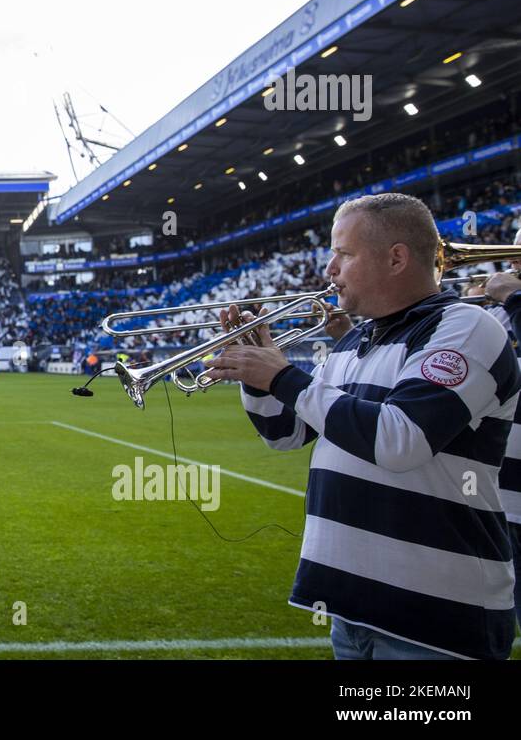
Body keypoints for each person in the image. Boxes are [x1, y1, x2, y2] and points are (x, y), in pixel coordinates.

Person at [207, 193, 518, 660]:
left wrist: (281, 375)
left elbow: (399, 439)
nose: (329, 269)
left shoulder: (466, 327)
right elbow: (285, 433)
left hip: (433, 617)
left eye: (343, 254)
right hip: (349, 606)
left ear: (396, 258)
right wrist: (254, 369)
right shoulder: (355, 340)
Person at [482, 226, 521, 628]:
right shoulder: (500, 313)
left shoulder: (513, 303)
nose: (512, 263)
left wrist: (514, 298)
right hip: (500, 497)